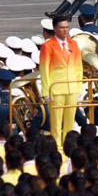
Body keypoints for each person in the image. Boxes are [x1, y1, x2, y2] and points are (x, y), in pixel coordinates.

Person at [39, 16, 83, 149]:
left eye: (67, 27)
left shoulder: (73, 44)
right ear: (55, 29)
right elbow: (44, 69)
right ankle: (57, 147)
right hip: (56, 89)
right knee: (56, 122)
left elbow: (78, 67)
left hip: (72, 88)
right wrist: (46, 91)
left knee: (70, 121)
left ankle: (68, 146)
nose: (65, 30)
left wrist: (79, 87)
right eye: (62, 27)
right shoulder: (47, 45)